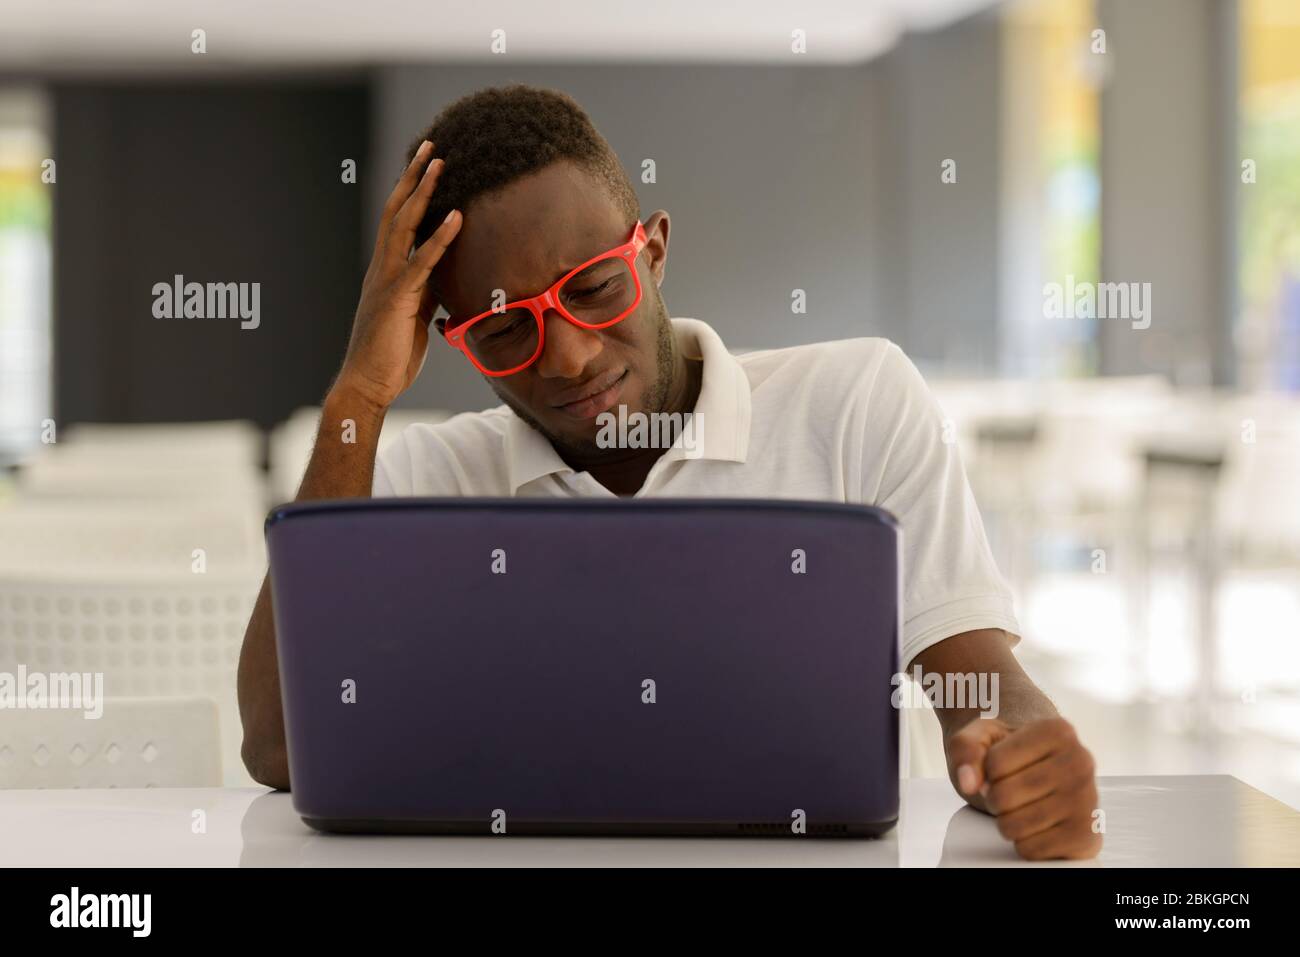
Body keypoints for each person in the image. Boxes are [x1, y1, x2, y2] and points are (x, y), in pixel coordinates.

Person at [238, 84, 1100, 860]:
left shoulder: (856, 401)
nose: (569, 357)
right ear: (452, 338)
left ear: (651, 252)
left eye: (594, 287)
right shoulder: (424, 476)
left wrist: (1024, 755)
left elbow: (980, 685)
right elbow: (278, 746)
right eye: (506, 331)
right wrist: (362, 387)